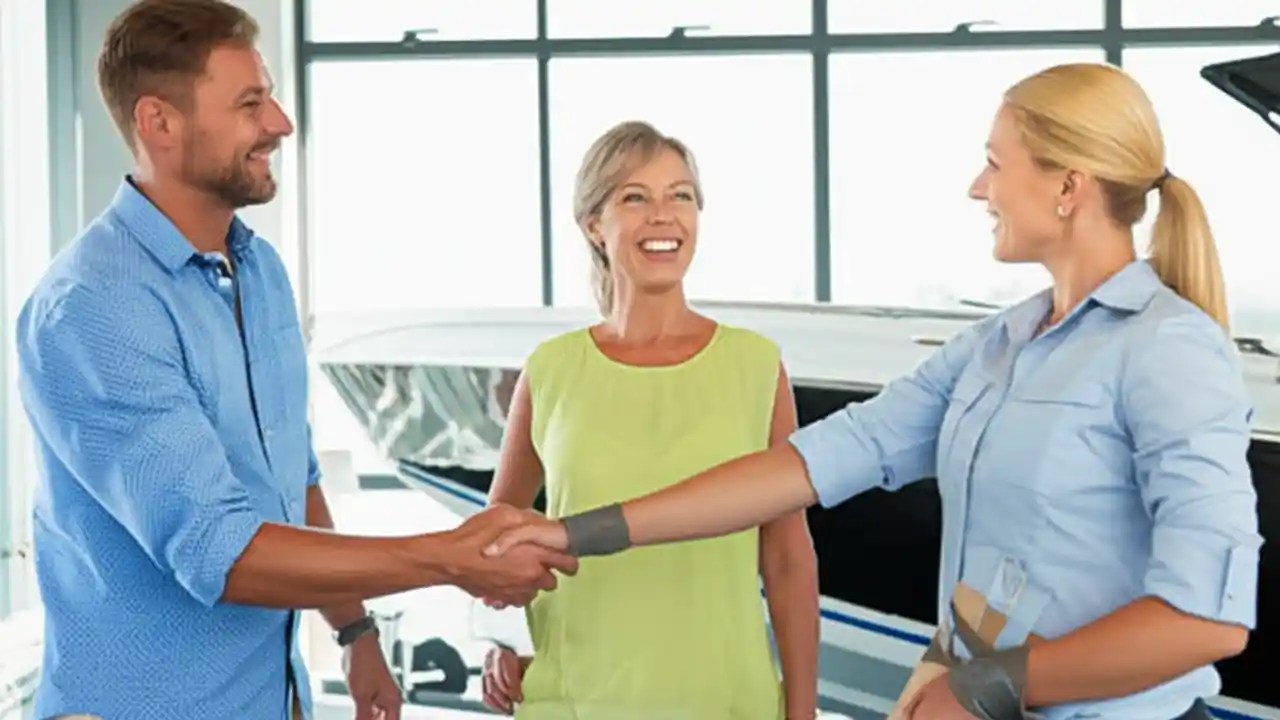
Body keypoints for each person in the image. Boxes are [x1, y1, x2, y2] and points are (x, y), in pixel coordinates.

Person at [484, 63, 1262, 720]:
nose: (976, 186)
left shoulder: (1169, 349)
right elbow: (809, 465)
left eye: (996, 161)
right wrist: (571, 534)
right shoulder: (997, 346)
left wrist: (995, 683)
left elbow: (1208, 622)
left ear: (1068, 186)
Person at [14, 1, 575, 719]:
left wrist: (355, 628)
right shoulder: (94, 308)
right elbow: (222, 553)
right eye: (250, 103)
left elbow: (292, 478)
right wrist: (446, 556)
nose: (279, 122)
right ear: (159, 122)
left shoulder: (258, 271)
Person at [478, 121, 820, 719]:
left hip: (727, 701)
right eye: (635, 197)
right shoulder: (551, 369)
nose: (663, 215)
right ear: (594, 225)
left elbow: (788, 558)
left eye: (680, 196)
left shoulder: (756, 366)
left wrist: (802, 710)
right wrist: (499, 644)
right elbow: (491, 543)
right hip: (577, 700)